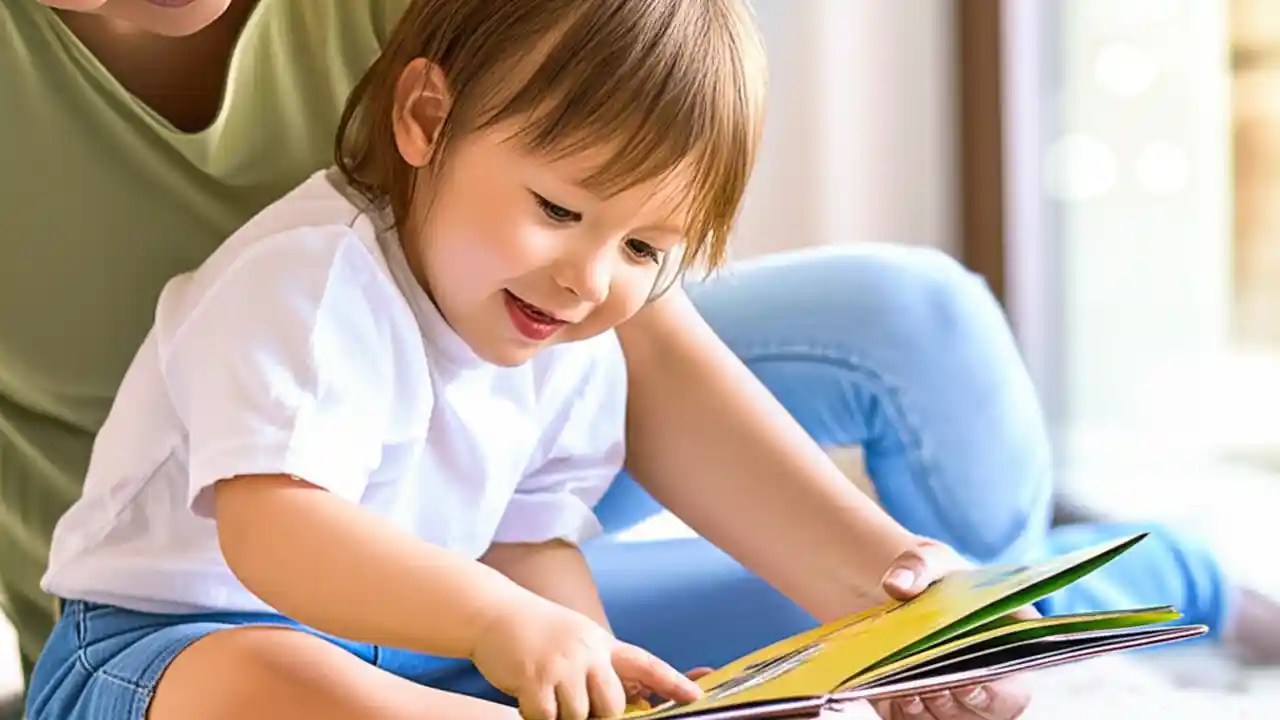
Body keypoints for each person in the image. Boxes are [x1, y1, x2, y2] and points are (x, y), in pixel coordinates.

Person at [0, 0, 1263, 718]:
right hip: (164, 648)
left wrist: (588, 667)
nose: (590, 276)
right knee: (274, 679)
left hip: (421, 628)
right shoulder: (309, 282)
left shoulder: (563, 319)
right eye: (559, 214)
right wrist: (502, 624)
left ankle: (1141, 584)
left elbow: (530, 533)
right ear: (423, 119)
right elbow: (274, 533)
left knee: (784, 621)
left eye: (645, 248)